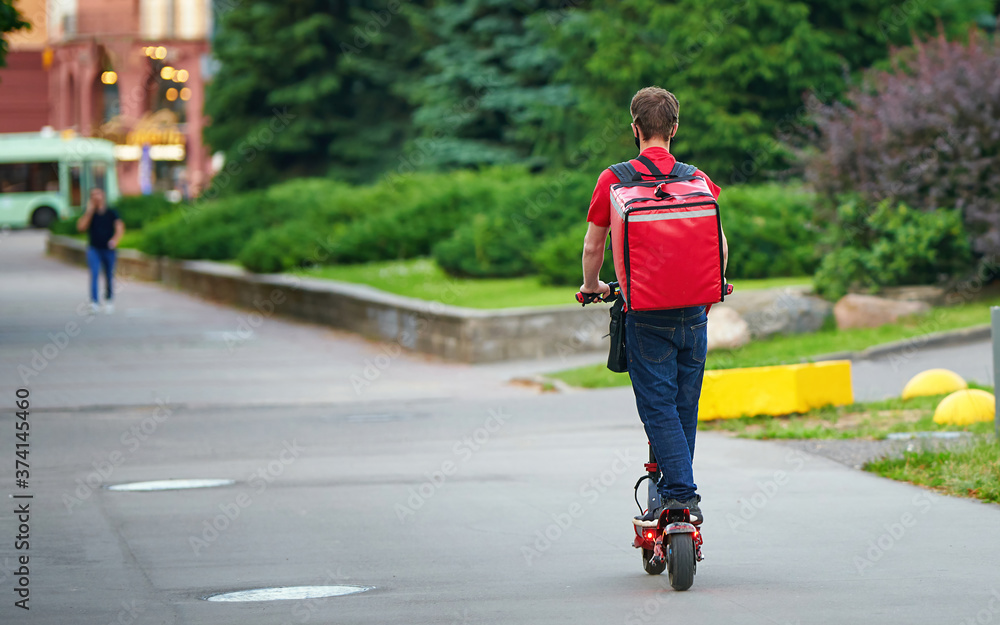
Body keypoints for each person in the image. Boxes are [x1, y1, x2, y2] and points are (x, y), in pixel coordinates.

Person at [579, 86, 728, 527]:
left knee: (658, 408)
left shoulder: (615, 179)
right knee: (684, 409)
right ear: (675, 129)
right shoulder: (696, 178)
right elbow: (718, 241)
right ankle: (674, 500)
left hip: (645, 315)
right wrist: (714, 287)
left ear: (635, 128)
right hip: (694, 312)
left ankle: (681, 496)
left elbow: (593, 246)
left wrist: (592, 287)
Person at [77, 188, 124, 314]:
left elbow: (119, 227)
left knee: (109, 275)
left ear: (103, 195)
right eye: (93, 195)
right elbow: (81, 227)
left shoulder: (111, 212)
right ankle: (94, 302)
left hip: (109, 249)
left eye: (97, 194)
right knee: (95, 274)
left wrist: (115, 240)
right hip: (94, 248)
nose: (96, 197)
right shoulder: (90, 213)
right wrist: (90, 211)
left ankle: (109, 300)